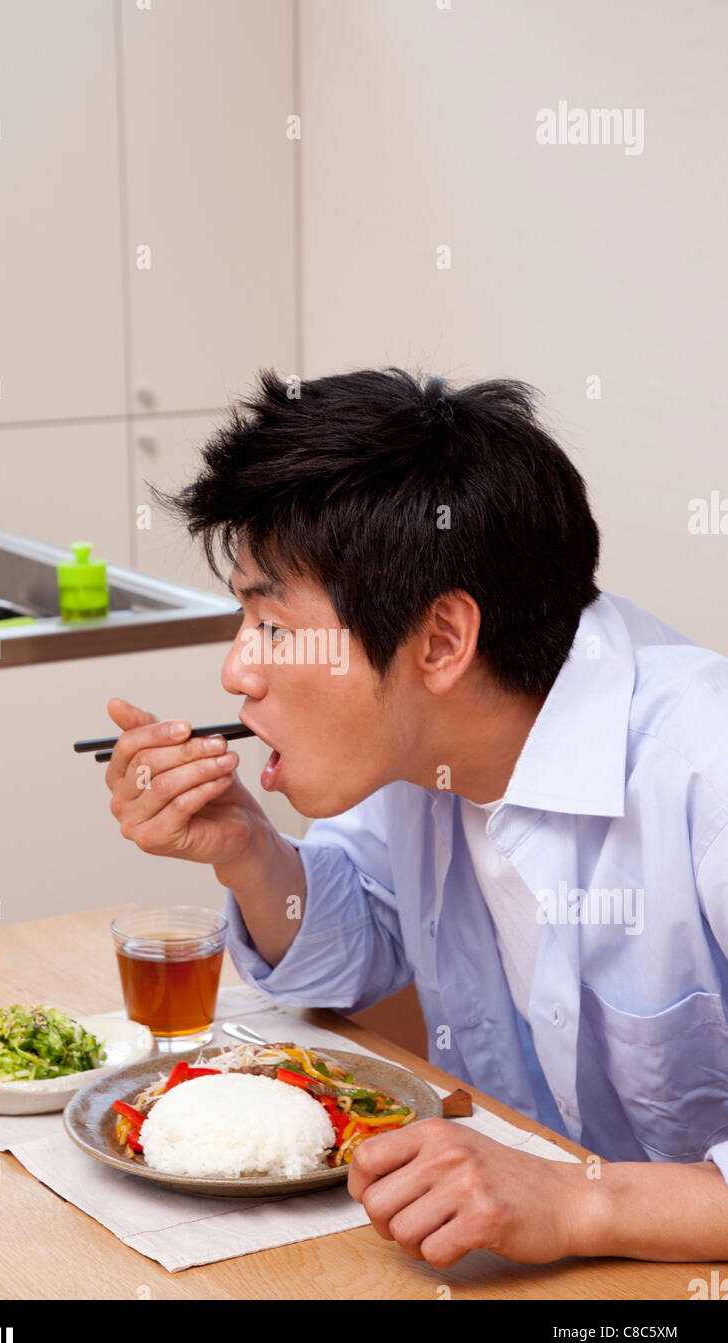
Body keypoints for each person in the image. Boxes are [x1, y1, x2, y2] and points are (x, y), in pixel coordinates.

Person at [105, 367, 728, 1268]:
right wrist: (247, 852)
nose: (237, 674)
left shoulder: (704, 770)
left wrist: (582, 1205)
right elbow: (360, 933)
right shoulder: (422, 748)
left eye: (271, 627)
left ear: (440, 640)